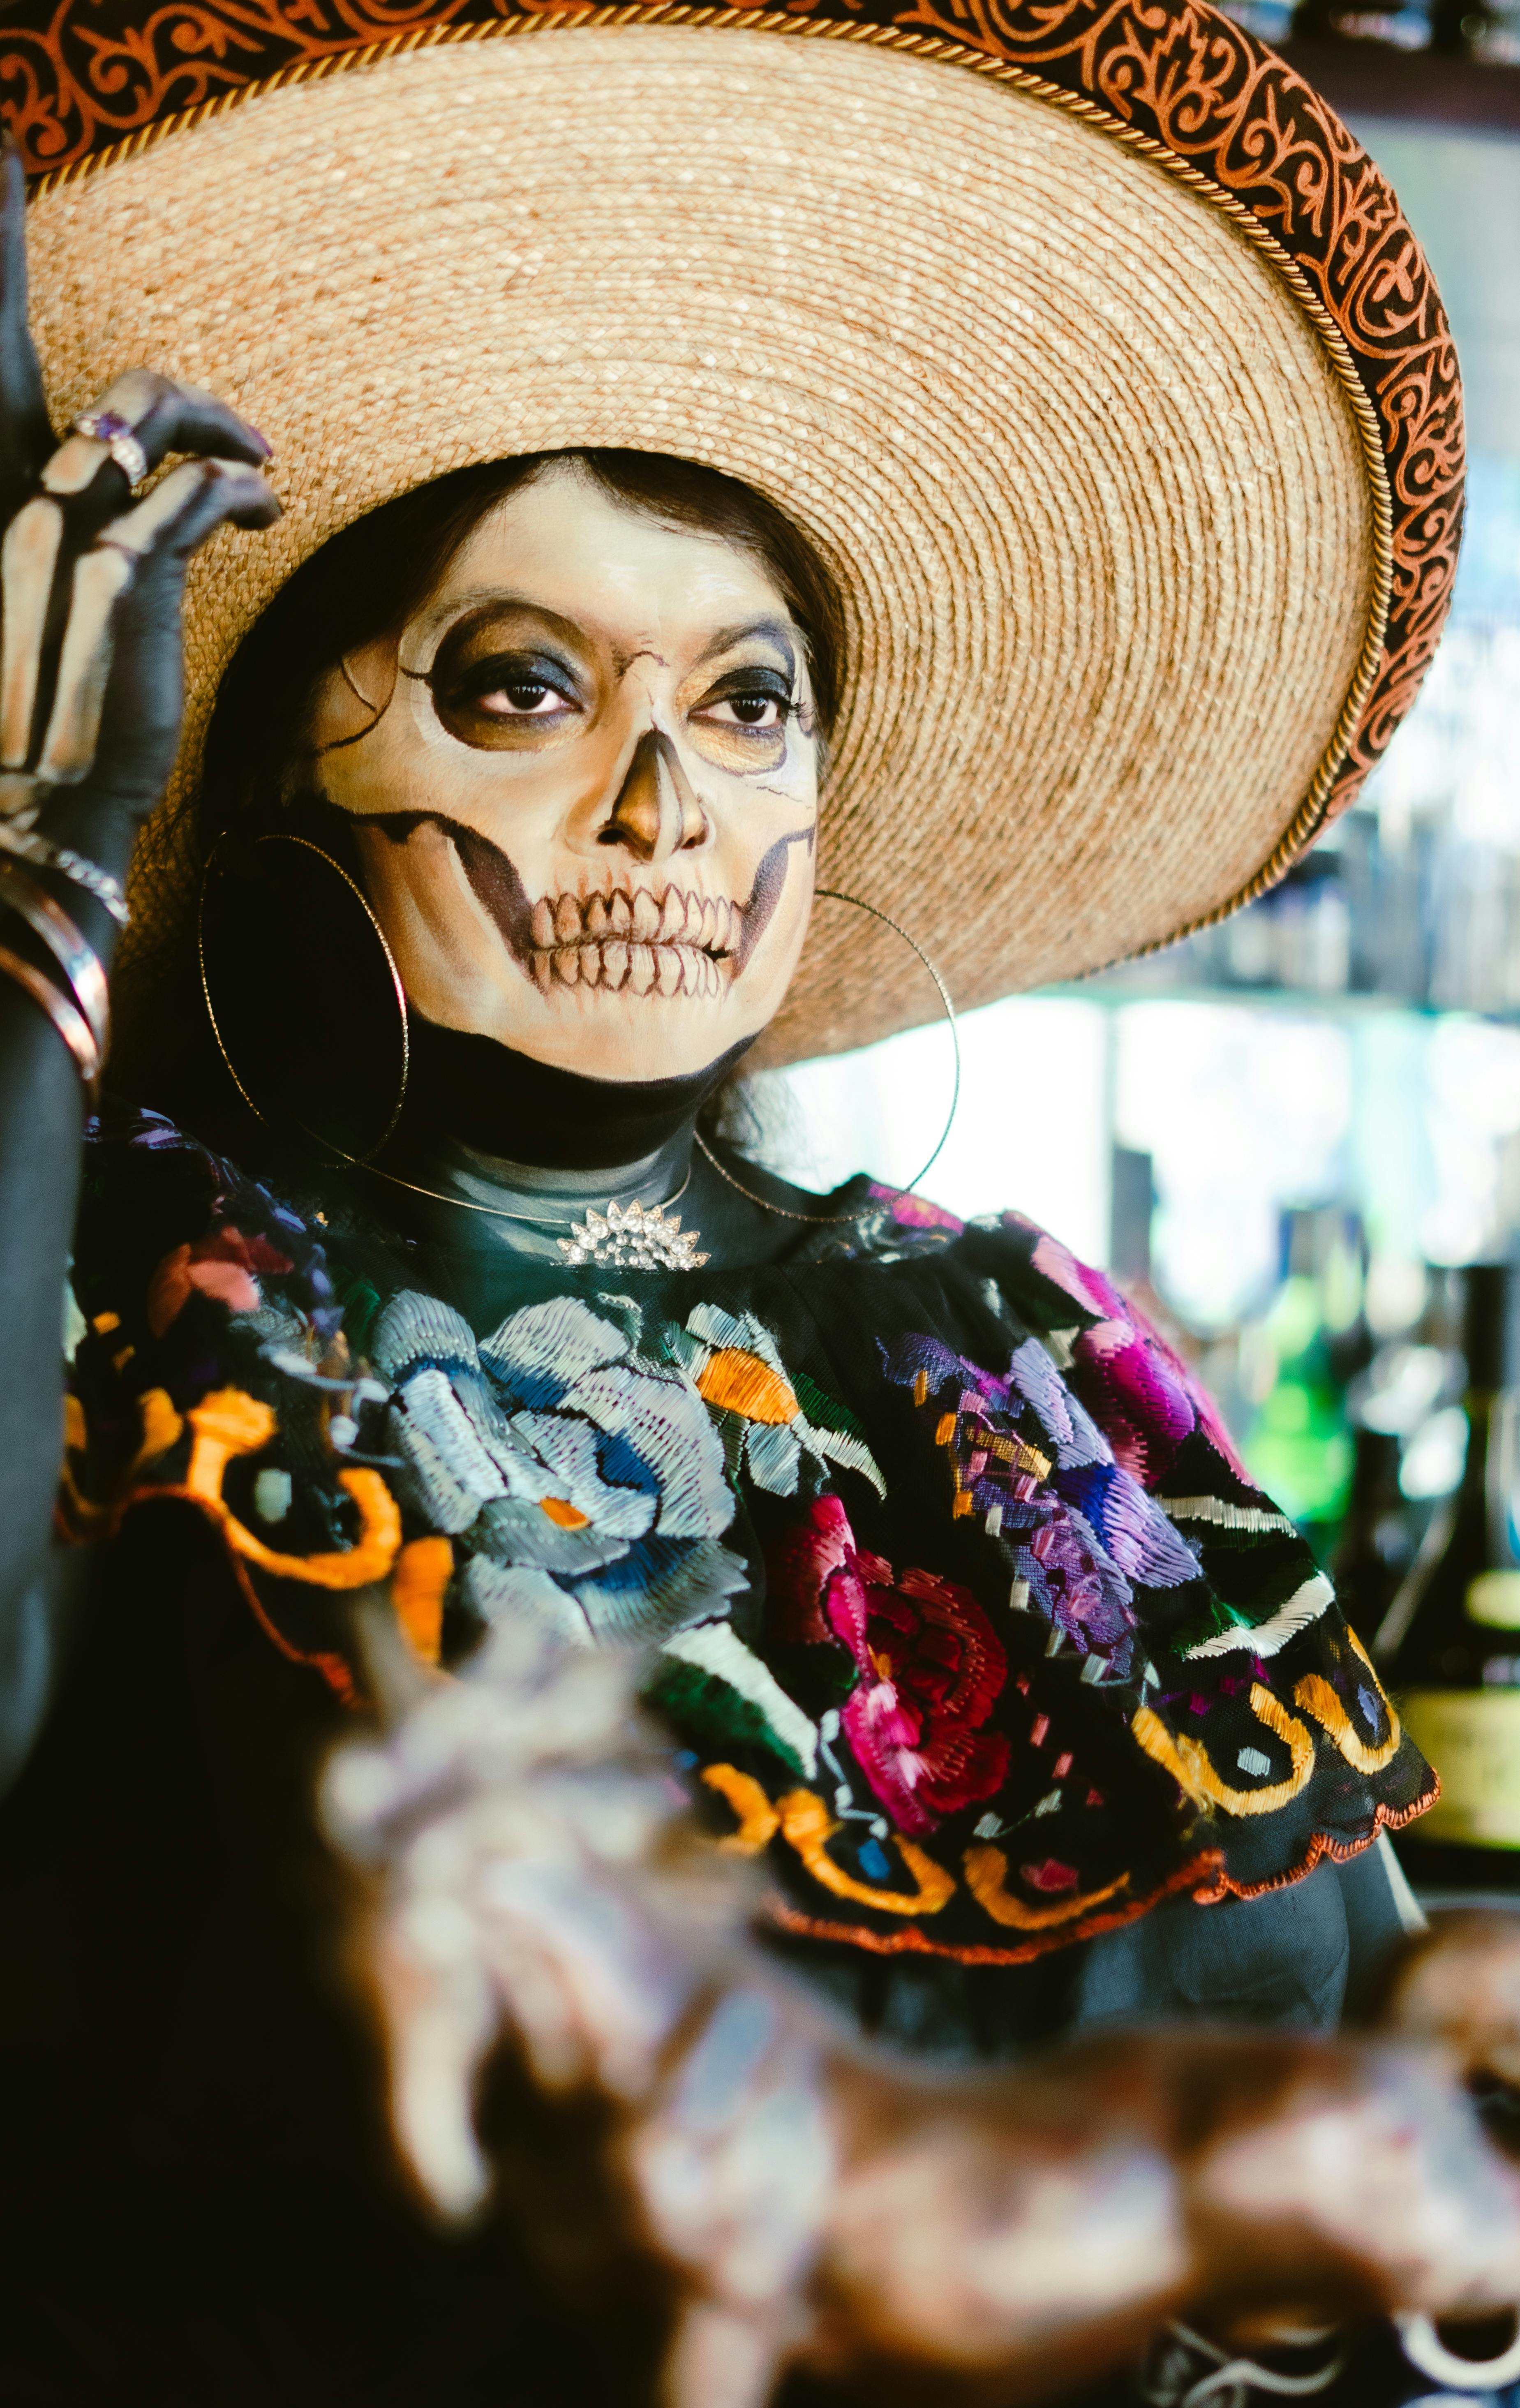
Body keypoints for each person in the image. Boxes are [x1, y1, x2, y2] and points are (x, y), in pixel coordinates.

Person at [0, 0, 1500, 2395]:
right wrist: (56, 855)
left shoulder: (1008, 1361)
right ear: (273, 737)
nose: (663, 806)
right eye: (520, 687)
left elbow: (1374, 2088)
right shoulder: (139, 1310)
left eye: (747, 699)